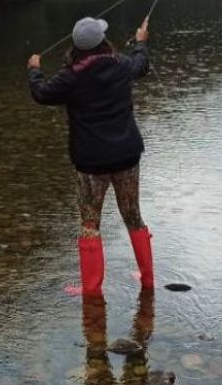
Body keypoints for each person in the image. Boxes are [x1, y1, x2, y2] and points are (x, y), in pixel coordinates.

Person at [26, 16, 154, 296]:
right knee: (133, 216)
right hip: (126, 155)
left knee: (90, 222)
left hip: (91, 161)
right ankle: (147, 279)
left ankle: (91, 289)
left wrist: (34, 70)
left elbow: (41, 94)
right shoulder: (121, 64)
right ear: (102, 40)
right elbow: (141, 65)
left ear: (76, 45)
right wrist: (141, 42)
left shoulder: (70, 76)